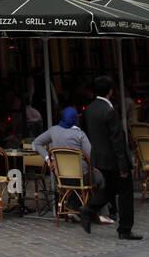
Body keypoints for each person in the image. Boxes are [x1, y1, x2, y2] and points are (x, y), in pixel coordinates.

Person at [80, 76, 142, 241]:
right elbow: (117, 141)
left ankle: (89, 209)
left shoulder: (89, 109)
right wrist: (123, 166)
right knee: (125, 193)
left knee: (110, 189)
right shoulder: (109, 111)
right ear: (110, 91)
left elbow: (89, 133)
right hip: (114, 159)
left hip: (100, 158)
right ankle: (125, 229)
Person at [31, 106, 111, 222]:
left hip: (61, 178)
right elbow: (90, 155)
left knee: (73, 182)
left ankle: (73, 209)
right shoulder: (80, 134)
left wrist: (48, 159)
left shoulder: (53, 131)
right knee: (100, 179)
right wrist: (94, 167)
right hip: (81, 176)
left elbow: (37, 143)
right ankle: (103, 214)